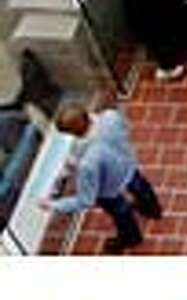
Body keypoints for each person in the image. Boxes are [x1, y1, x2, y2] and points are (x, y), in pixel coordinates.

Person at [40, 104, 162, 254]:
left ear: (72, 133)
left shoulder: (86, 162)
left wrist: (52, 205)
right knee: (140, 186)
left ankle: (132, 238)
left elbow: (85, 200)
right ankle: (153, 209)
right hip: (126, 163)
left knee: (121, 212)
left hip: (108, 188)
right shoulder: (110, 116)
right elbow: (125, 128)